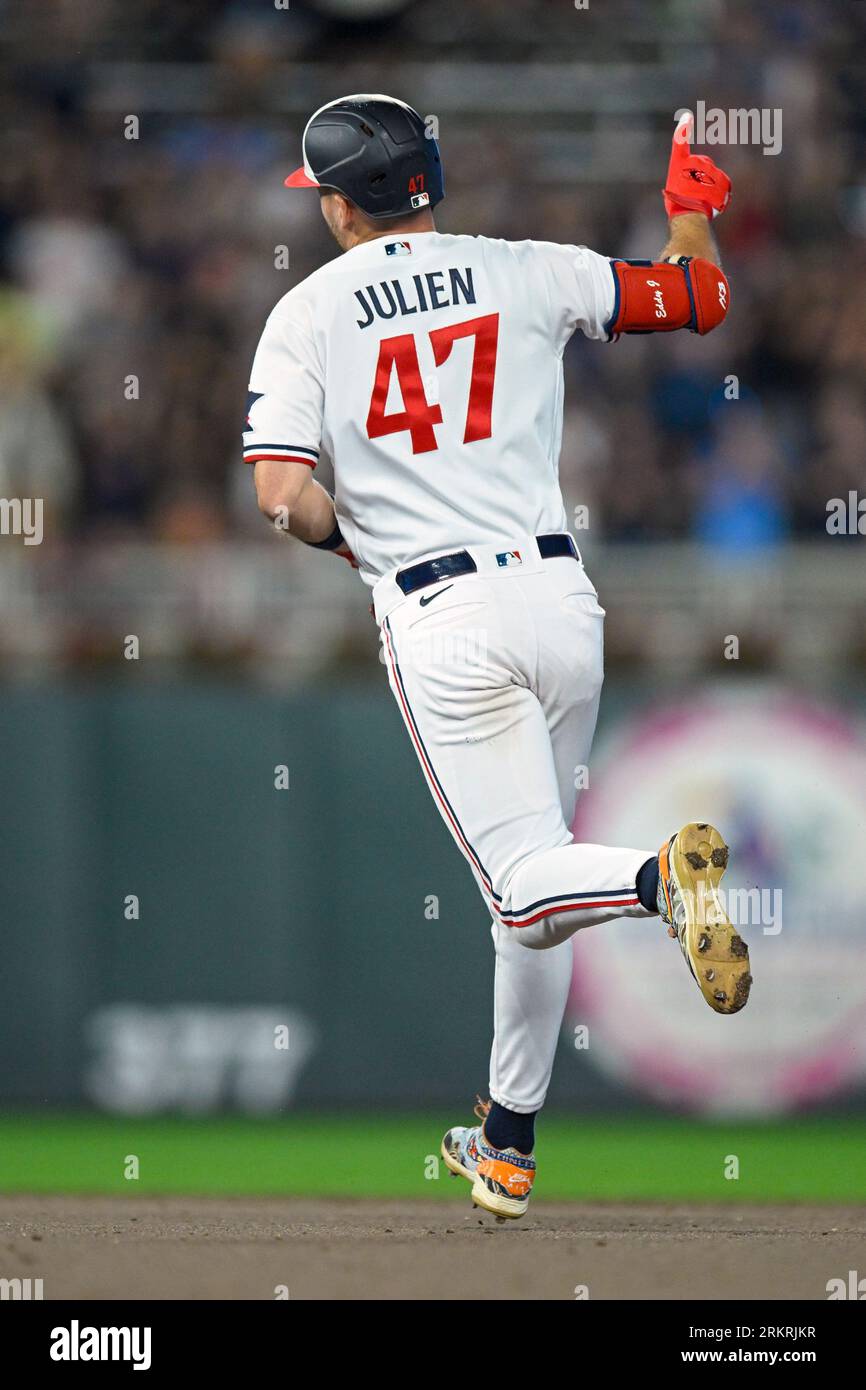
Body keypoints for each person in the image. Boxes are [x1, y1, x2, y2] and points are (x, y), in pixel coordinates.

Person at [246, 95, 751, 1220]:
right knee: (531, 878)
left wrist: (353, 542)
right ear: (428, 180)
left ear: (336, 204)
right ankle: (507, 1141)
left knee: (528, 884)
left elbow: (279, 493)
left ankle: (657, 878)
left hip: (439, 613)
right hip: (560, 599)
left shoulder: (306, 313)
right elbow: (695, 297)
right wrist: (687, 213)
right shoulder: (526, 266)